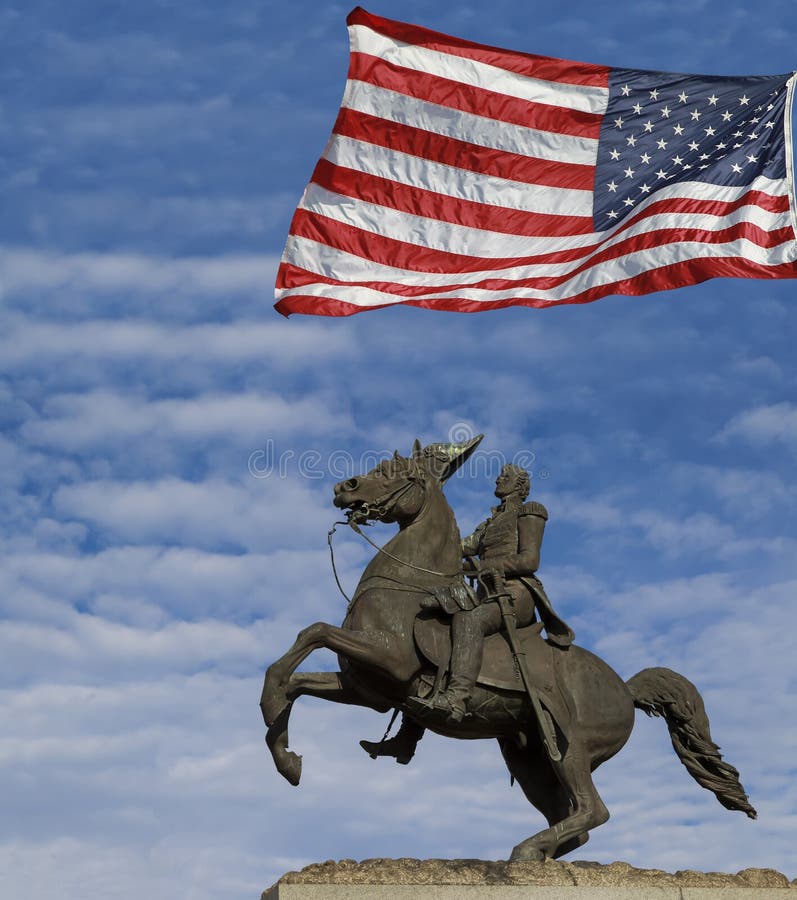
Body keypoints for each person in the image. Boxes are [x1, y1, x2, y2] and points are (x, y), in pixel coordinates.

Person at [361, 464, 574, 759]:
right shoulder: (489, 524)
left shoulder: (530, 511)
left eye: (506, 476)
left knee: (469, 620)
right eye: (500, 475)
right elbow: (457, 549)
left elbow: (530, 560)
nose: (499, 479)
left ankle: (457, 698)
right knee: (433, 636)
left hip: (514, 595)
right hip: (485, 594)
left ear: (520, 486)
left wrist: (486, 567)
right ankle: (407, 737)